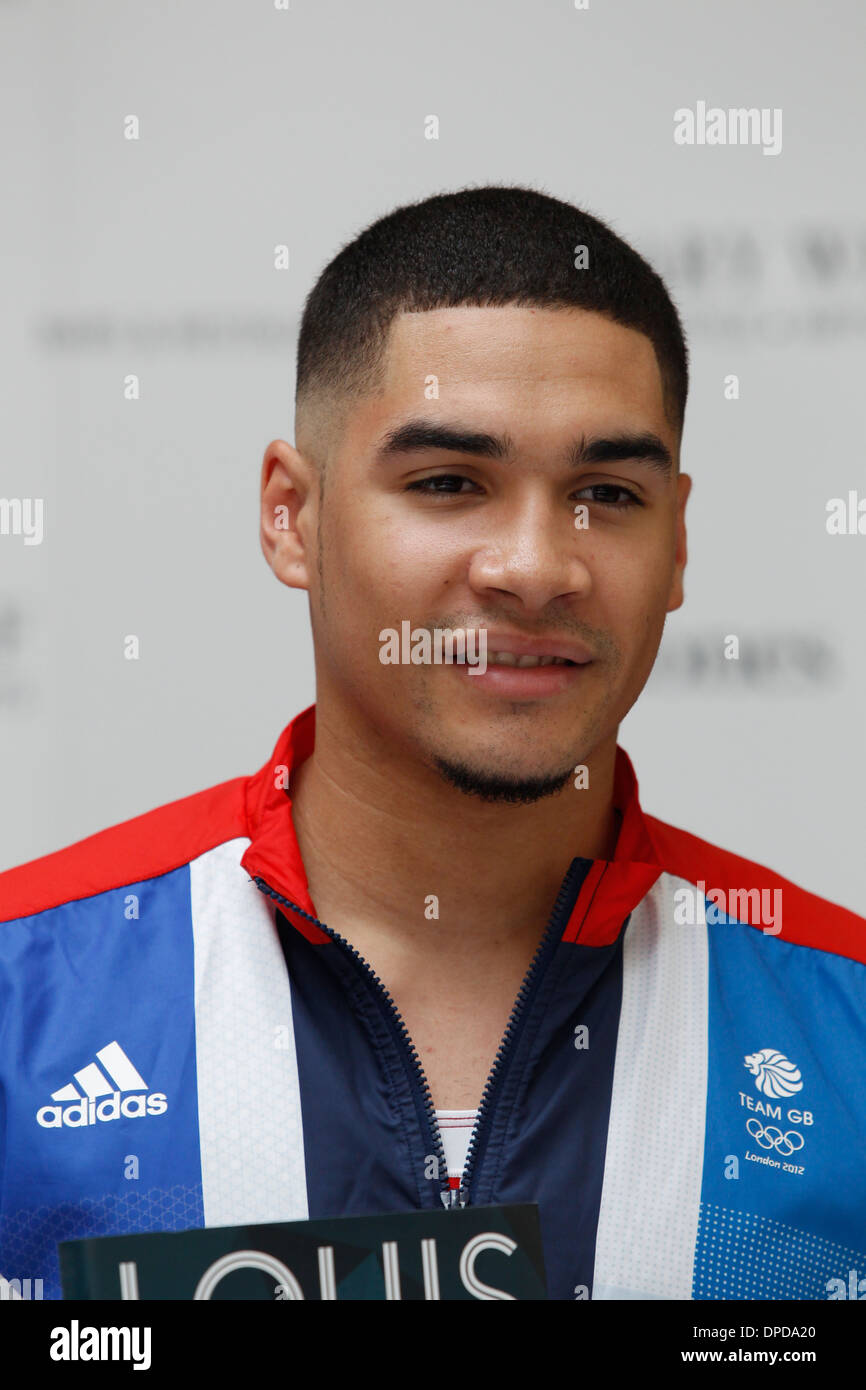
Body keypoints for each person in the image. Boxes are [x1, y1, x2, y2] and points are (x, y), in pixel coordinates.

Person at [1, 185, 864, 1303]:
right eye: (449, 482)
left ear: (679, 541)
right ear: (290, 515)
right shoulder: (27, 1004)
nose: (535, 565)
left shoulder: (840, 1028)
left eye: (606, 492)